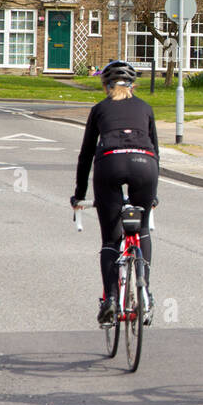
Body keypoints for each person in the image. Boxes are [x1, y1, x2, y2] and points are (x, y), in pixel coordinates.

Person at [71, 60, 160, 326]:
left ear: (105, 86)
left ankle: (110, 299)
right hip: (145, 164)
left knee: (111, 240)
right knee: (141, 229)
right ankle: (143, 293)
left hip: (109, 163)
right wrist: (152, 194)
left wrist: (79, 195)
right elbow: (155, 150)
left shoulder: (99, 109)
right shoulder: (145, 107)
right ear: (133, 86)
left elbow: (86, 155)